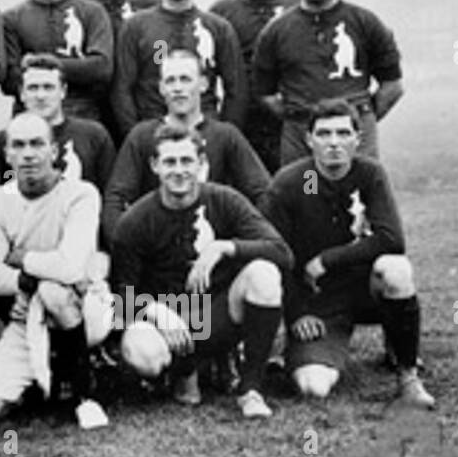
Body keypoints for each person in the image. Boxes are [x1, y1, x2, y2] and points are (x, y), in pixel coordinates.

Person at [260, 100, 435, 408]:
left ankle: (407, 375)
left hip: (366, 289)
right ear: (308, 139)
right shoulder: (289, 183)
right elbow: (274, 254)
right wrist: (297, 312)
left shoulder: (370, 174)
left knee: (395, 270)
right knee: (313, 388)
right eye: (324, 134)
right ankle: (296, 355)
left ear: (358, 138)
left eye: (343, 133)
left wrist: (328, 259)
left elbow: (392, 239)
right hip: (319, 302)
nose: (334, 143)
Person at [112, 125, 291, 419]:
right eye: (170, 162)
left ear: (202, 164)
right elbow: (122, 298)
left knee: (264, 274)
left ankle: (250, 389)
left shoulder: (225, 200)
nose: (179, 170)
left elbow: (282, 253)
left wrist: (224, 247)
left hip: (218, 312)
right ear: (154, 166)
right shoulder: (134, 222)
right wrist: (155, 310)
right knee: (140, 351)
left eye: (187, 161)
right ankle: (184, 369)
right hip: (170, 320)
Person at [0, 114, 111, 429]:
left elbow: (71, 266)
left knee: (54, 292)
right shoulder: (0, 200)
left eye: (37, 144)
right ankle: (49, 375)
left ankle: (82, 391)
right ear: (7, 154)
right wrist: (30, 279)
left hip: (83, 307)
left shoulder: (81, 193)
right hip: (27, 315)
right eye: (18, 145)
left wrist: (21, 257)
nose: (28, 154)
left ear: (54, 151)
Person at [253, 0, 403, 165]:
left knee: (355, 195)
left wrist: (358, 119)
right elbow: (267, 94)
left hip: (354, 134)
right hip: (301, 140)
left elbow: (392, 87)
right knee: (308, 193)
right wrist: (302, 118)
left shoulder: (365, 23)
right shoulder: (276, 31)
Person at [101, 50, 269, 244]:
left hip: (211, 247)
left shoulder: (225, 136)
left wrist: (240, 244)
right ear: (161, 88)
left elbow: (263, 193)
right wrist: (125, 248)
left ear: (203, 84)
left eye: (185, 79)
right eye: (171, 81)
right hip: (158, 248)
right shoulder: (142, 136)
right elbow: (116, 198)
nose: (178, 88)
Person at [110, 0, 245, 140]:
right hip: (153, 134)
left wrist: (220, 137)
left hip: (204, 133)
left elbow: (237, 90)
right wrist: (138, 137)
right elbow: (122, 89)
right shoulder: (136, 27)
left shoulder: (218, 29)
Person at [208, 0, 298, 173]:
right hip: (242, 124)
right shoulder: (221, 13)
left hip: (288, 125)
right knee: (246, 197)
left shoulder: (299, 9)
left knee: (302, 190)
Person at [3, 0, 112, 121]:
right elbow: (9, 79)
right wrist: (77, 67)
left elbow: (101, 69)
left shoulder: (92, 12)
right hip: (29, 120)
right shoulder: (11, 18)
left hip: (82, 117)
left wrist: (35, 63)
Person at [83, 0, 160, 141]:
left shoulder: (150, 4)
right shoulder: (82, 9)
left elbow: (160, 53)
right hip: (97, 113)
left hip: (142, 109)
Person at [3, 53, 116, 196]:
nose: (41, 96)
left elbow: (111, 196)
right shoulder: (6, 140)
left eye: (48, 87)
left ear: (63, 91)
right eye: (33, 88)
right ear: (21, 94)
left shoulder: (94, 136)